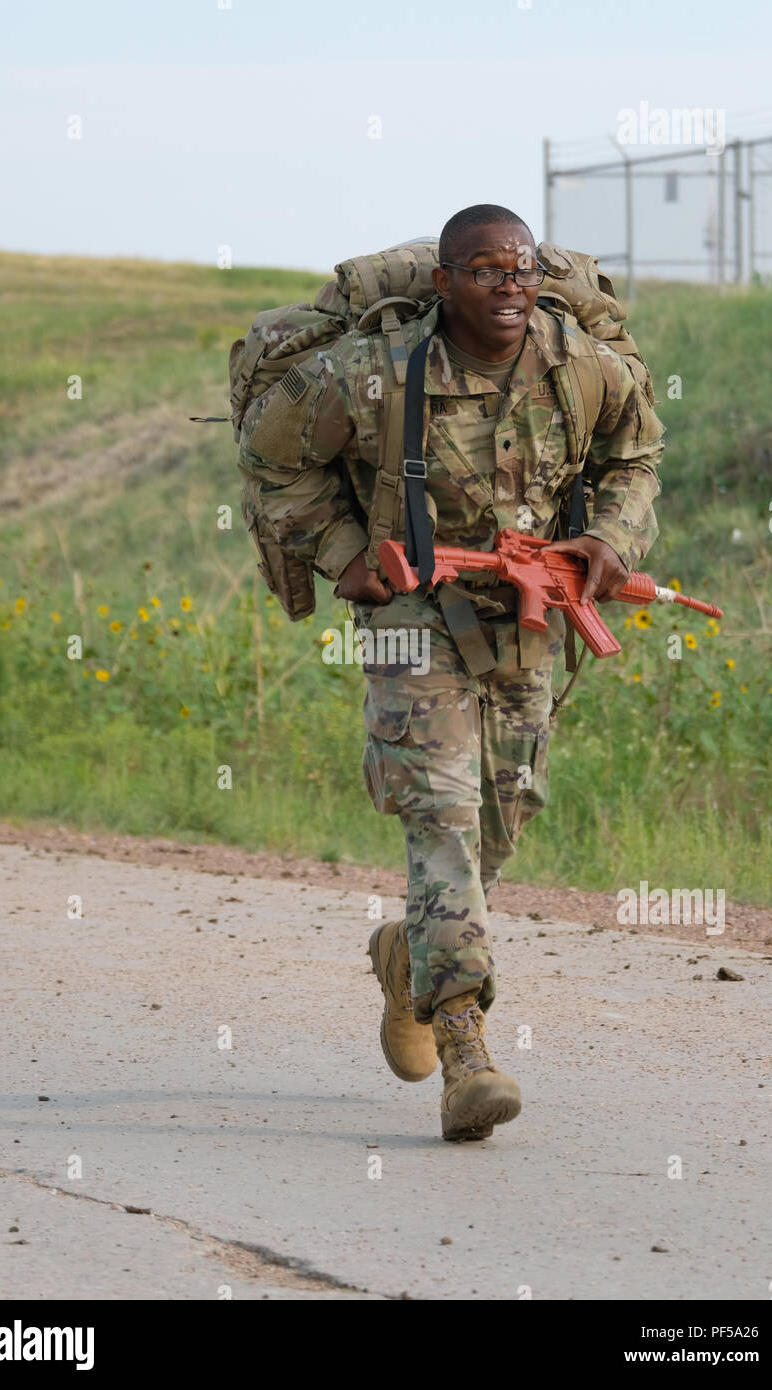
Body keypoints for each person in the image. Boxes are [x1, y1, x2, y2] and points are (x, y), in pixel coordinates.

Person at [238, 204, 664, 1141]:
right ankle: (465, 1041)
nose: (507, 288)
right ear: (444, 284)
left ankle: (410, 954)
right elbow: (271, 459)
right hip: (409, 617)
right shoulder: (372, 373)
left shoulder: (580, 366)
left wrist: (607, 538)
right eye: (483, 272)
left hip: (527, 615)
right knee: (441, 813)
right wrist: (346, 550)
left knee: (503, 818)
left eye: (519, 272)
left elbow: (635, 455)